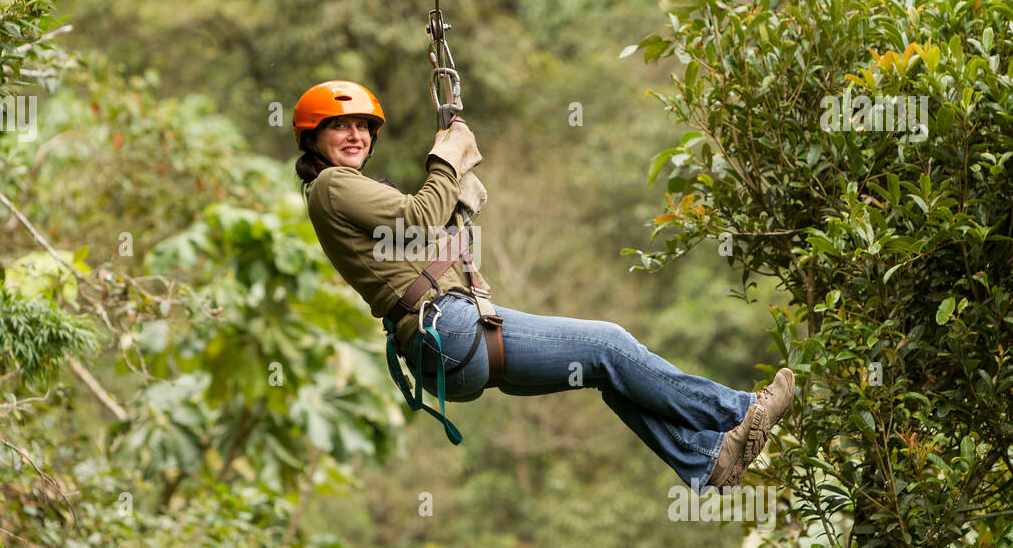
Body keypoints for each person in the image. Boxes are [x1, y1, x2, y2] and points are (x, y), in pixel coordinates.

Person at [294, 79, 794, 491]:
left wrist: (454, 199)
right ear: (313, 137)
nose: (355, 135)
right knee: (608, 343)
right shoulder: (333, 186)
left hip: (443, 350)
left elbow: (417, 234)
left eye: (362, 126)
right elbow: (419, 218)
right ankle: (737, 412)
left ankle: (707, 460)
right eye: (339, 126)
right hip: (450, 332)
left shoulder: (346, 192)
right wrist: (445, 160)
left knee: (602, 369)